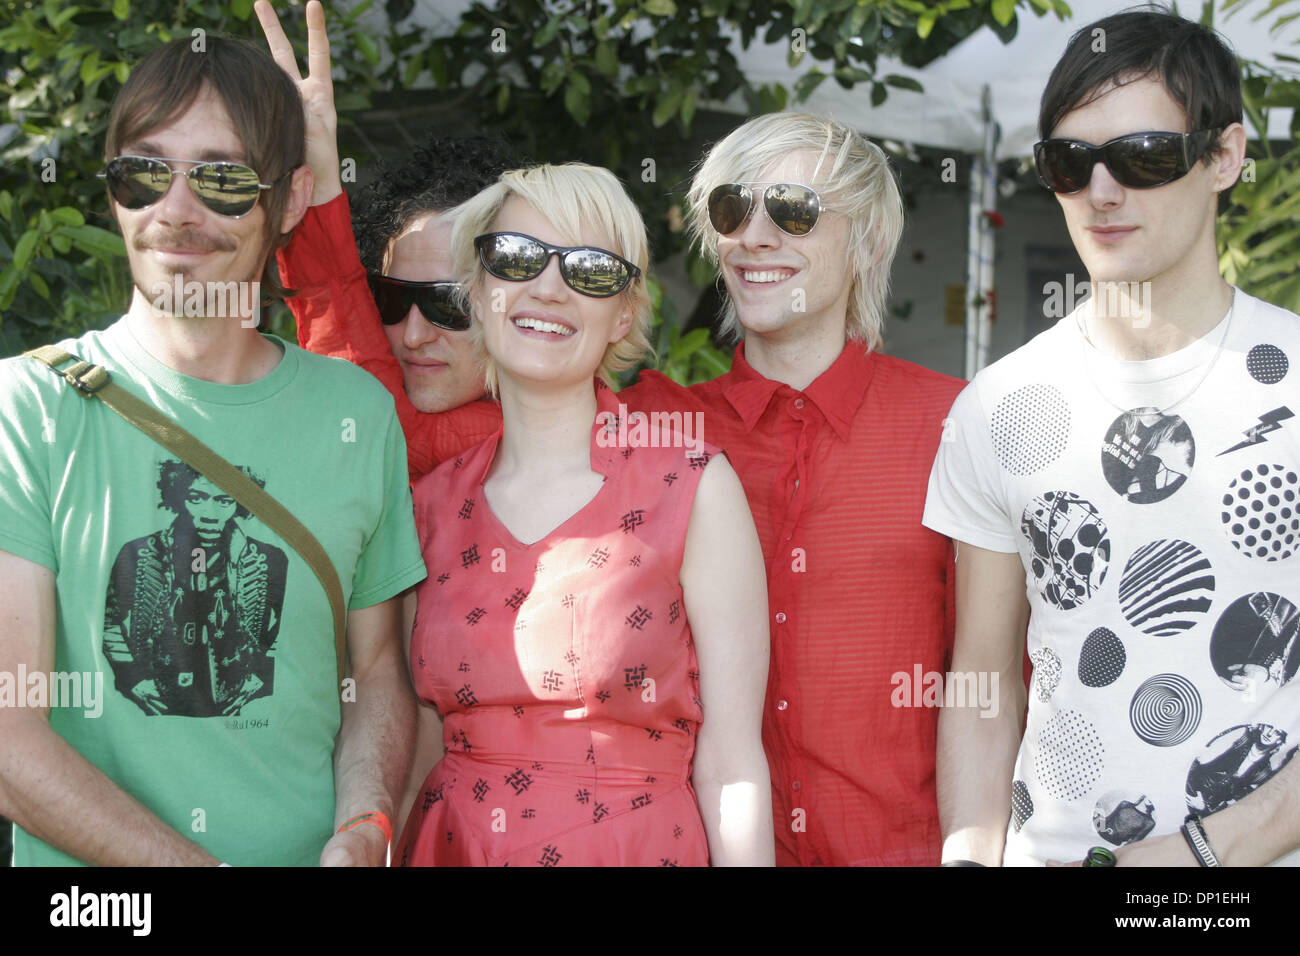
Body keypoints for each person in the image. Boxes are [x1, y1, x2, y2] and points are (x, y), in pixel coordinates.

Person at [264, 1, 961, 866]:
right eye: (732, 206)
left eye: (793, 208)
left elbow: (997, 678)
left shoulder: (951, 425)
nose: (756, 234)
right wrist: (320, 199)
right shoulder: (644, 424)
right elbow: (379, 399)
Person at [0, 32, 425, 866]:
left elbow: (378, 672)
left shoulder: (358, 413)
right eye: (144, 173)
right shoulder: (28, 408)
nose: (175, 212)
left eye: (224, 179)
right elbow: (10, 735)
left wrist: (365, 825)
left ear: (292, 200)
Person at [925, 7, 1300, 866]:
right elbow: (983, 685)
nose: (1102, 191)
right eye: (1069, 161)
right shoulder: (999, 405)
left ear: (1225, 158)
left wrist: (1210, 850)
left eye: (1143, 157)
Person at [394, 162, 773, 866]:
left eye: (590, 269)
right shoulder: (430, 507)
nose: (548, 286)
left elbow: (733, 761)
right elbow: (417, 745)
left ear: (624, 313)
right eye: (515, 258)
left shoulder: (690, 486)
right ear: (475, 292)